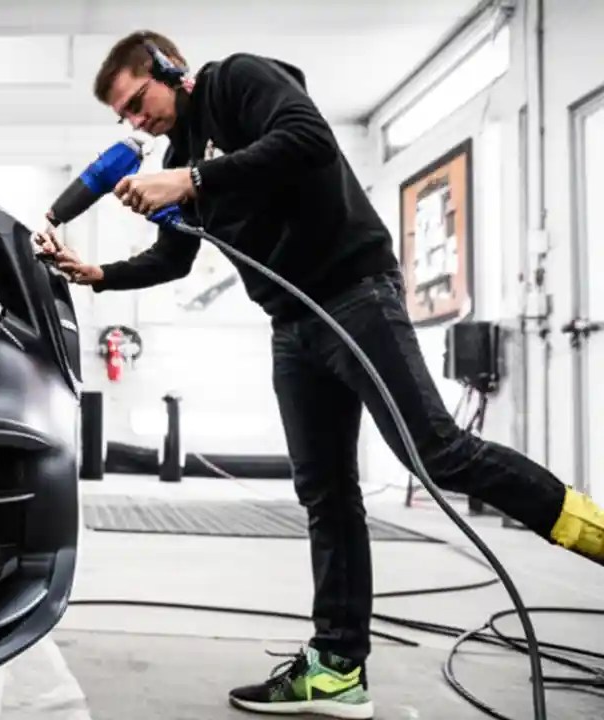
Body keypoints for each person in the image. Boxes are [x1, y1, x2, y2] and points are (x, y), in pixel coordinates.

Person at [34, 29, 604, 719]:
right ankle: (337, 669)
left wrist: (191, 179)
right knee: (326, 493)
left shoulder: (238, 80)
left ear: (168, 69)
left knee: (440, 451)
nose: (134, 122)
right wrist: (100, 275)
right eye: (122, 117)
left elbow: (308, 138)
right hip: (292, 326)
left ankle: (597, 534)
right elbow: (176, 259)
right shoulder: (181, 155)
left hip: (355, 295)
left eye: (136, 101)